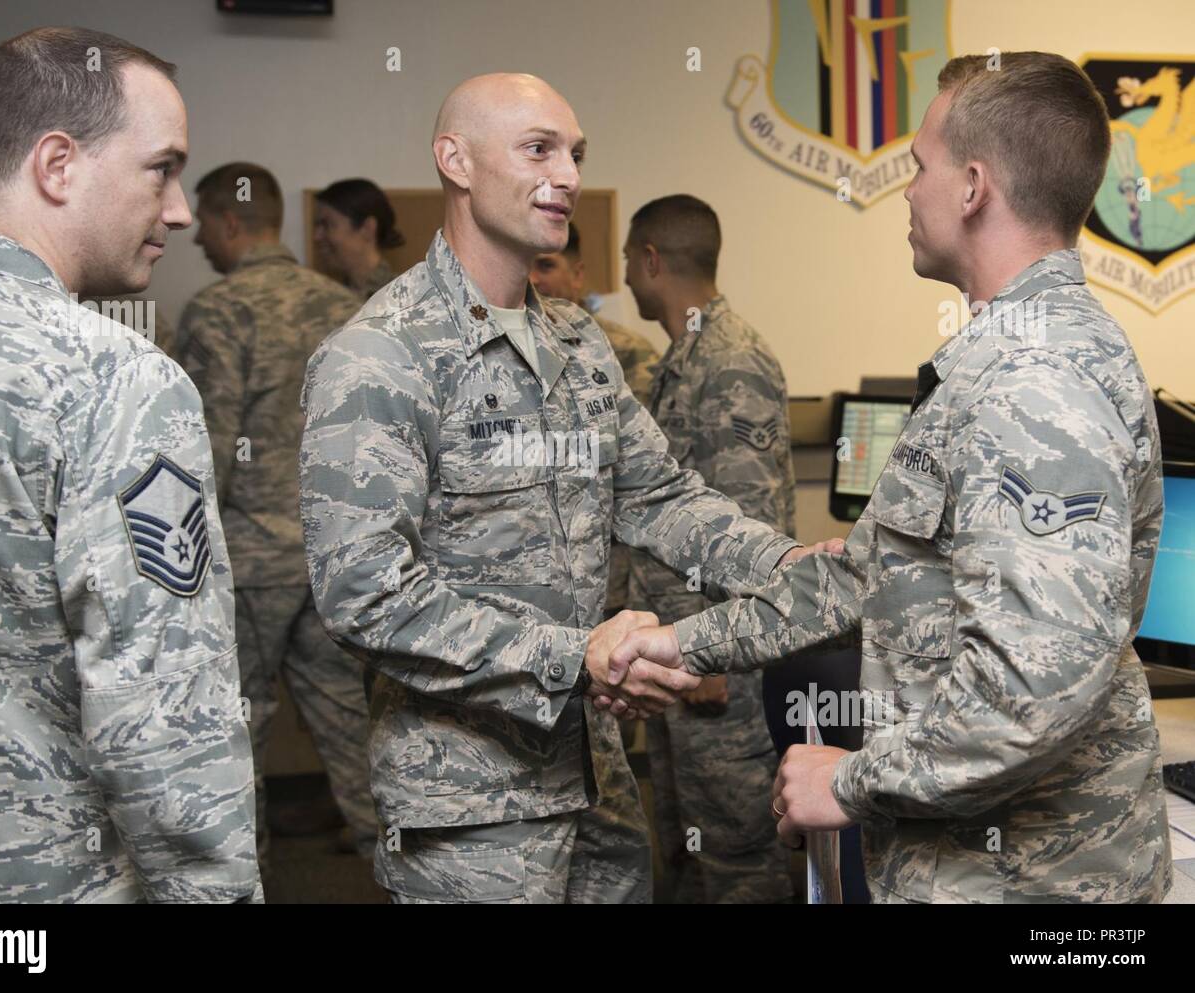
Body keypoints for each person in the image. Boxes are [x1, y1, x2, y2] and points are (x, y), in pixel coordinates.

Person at [613, 52, 1172, 904]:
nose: (908, 192)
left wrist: (846, 780)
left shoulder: (1035, 382)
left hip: (1033, 886)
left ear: (974, 187)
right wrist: (681, 644)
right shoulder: (993, 367)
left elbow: (1032, 688)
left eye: (919, 168)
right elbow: (865, 571)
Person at [298, 71, 826, 904]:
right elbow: (362, 593)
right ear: (456, 161)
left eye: (576, 154)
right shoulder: (379, 356)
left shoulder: (576, 341)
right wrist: (569, 656)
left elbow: (658, 495)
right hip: (471, 808)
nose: (570, 175)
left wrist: (788, 558)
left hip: (597, 777)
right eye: (539, 149)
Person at [0, 27, 260, 902]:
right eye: (160, 168)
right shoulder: (114, 378)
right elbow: (167, 724)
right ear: (58, 165)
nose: (179, 210)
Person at [177, 162, 373, 874]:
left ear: (229, 222)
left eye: (201, 221)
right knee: (354, 730)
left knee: (234, 735)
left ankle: (237, 886)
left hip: (249, 565)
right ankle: (416, 884)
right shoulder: (344, 306)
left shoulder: (217, 310)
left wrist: (183, 577)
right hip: (335, 558)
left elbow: (207, 454)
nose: (195, 238)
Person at [622, 193, 797, 903]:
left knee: (736, 852)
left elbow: (747, 521)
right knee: (686, 840)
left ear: (652, 260)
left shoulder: (729, 361)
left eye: (631, 261)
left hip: (719, 668)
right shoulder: (685, 356)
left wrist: (714, 651)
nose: (627, 278)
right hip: (679, 655)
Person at [530, 222, 659, 619]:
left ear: (578, 275)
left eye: (547, 266)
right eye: (526, 267)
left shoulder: (622, 352)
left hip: (609, 581)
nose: (534, 279)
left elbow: (643, 475)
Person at [312, 178, 402, 299]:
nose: (317, 236)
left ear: (367, 228)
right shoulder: (328, 298)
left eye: (327, 224)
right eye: (317, 225)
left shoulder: (403, 296)